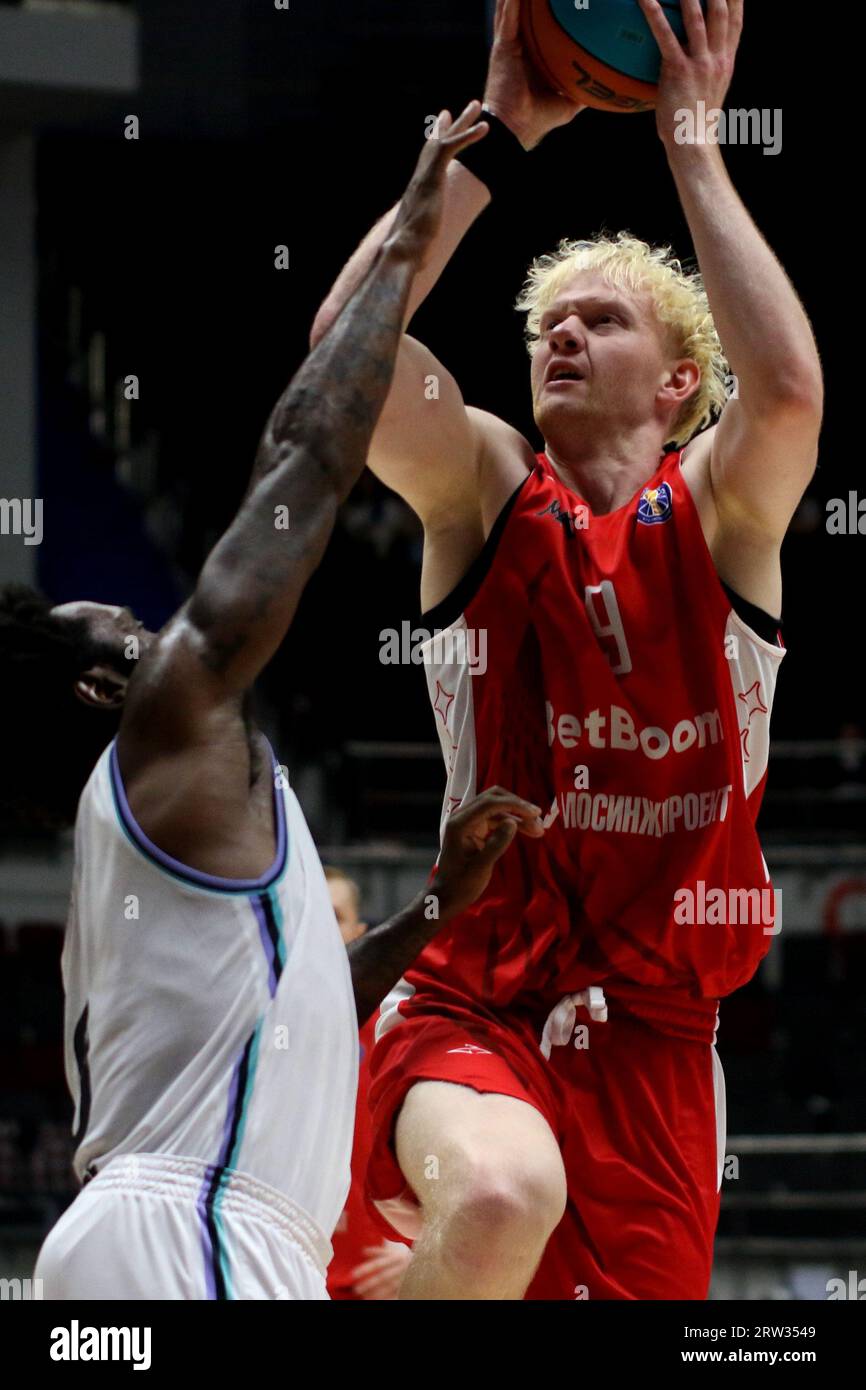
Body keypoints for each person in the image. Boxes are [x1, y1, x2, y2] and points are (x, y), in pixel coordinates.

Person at [310, 0, 823, 1299]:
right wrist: (486, 144)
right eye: (549, 318)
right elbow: (339, 364)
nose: (559, 331)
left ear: (672, 382)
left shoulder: (719, 516)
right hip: (472, 1001)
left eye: (599, 319)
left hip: (654, 1045)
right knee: (491, 1197)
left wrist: (691, 147)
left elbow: (788, 399)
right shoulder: (484, 487)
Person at [2, 102, 546, 1299]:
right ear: (107, 685)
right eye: (138, 632)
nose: (170, 636)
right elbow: (302, 462)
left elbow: (288, 1027)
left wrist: (428, 915)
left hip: (164, 1238)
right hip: (191, 1231)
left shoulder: (140, 848)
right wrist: (410, 236)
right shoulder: (164, 734)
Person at [325, 867, 413, 1300]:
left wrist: (422, 1248)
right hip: (277, 1275)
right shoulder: (250, 1033)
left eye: (335, 916)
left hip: (374, 1283)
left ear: (360, 932)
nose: (322, 929)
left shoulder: (396, 1034)